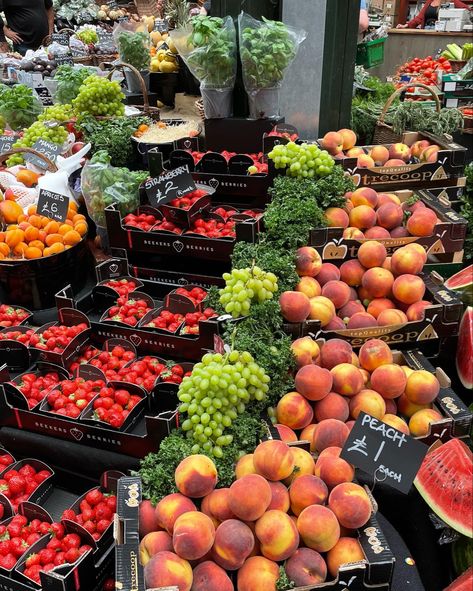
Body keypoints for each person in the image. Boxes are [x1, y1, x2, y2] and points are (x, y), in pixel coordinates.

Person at [397, 0, 472, 29]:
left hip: (439, 32)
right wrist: (406, 25)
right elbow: (419, 18)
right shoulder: (429, 1)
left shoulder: (451, 1)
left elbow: (467, 9)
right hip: (425, 31)